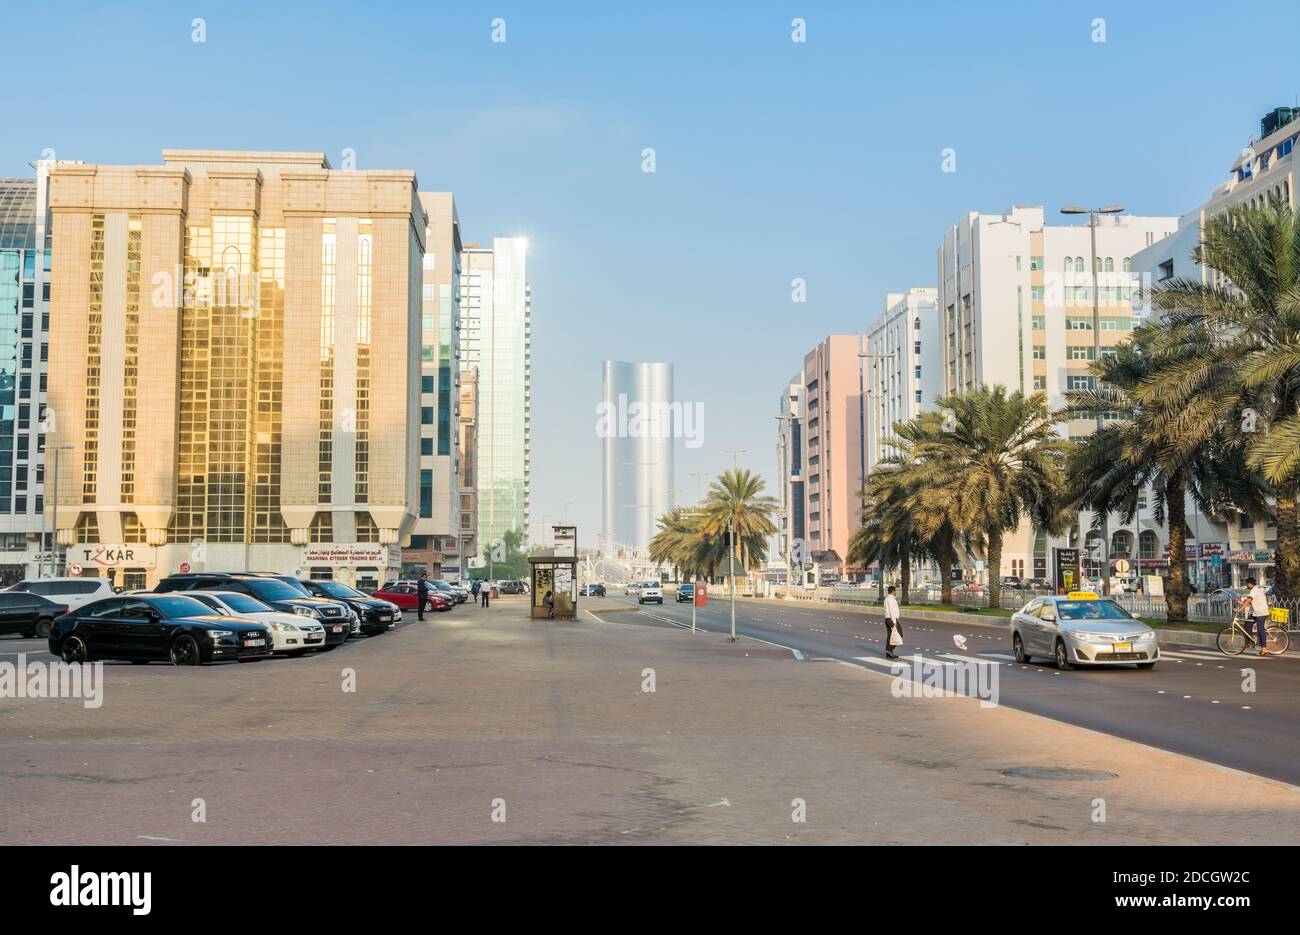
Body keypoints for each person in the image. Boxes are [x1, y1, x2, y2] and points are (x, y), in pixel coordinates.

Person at [1245, 576, 1271, 655]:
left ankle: (1264, 648)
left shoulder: (1254, 590)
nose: (1246, 585)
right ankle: (1251, 642)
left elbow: (1249, 600)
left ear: (1250, 584)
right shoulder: (1256, 590)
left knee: (1260, 629)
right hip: (1256, 613)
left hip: (1261, 613)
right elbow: (1252, 601)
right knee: (1247, 624)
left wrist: (1240, 609)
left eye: (1247, 584)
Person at [883, 585, 902, 660]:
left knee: (890, 635)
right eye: (895, 591)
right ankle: (889, 650)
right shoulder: (891, 600)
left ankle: (889, 652)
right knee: (899, 634)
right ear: (893, 591)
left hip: (888, 619)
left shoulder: (887, 599)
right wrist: (894, 622)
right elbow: (892, 611)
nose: (896, 592)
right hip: (891, 619)